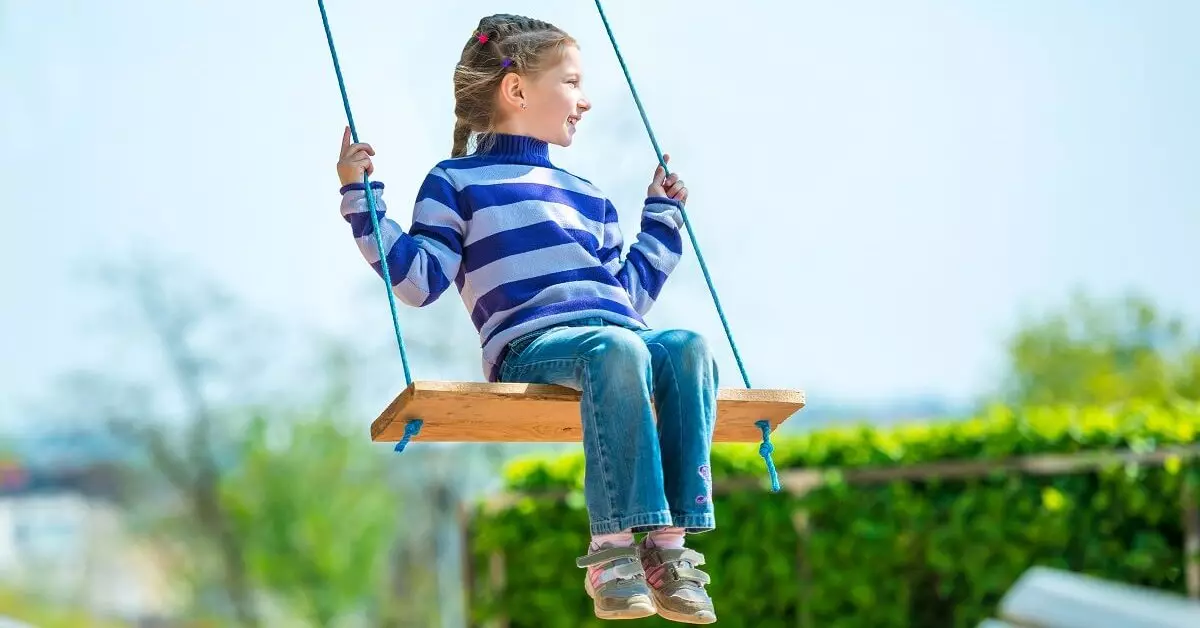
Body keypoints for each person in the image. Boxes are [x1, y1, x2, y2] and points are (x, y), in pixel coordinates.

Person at [336, 13, 717, 624]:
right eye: (570, 82)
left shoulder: (587, 193)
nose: (585, 100)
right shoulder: (455, 182)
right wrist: (362, 199)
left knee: (688, 346)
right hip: (534, 345)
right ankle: (612, 551)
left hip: (611, 337)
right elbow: (419, 279)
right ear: (516, 91)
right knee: (619, 351)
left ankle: (669, 548)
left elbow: (626, 298)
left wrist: (661, 223)